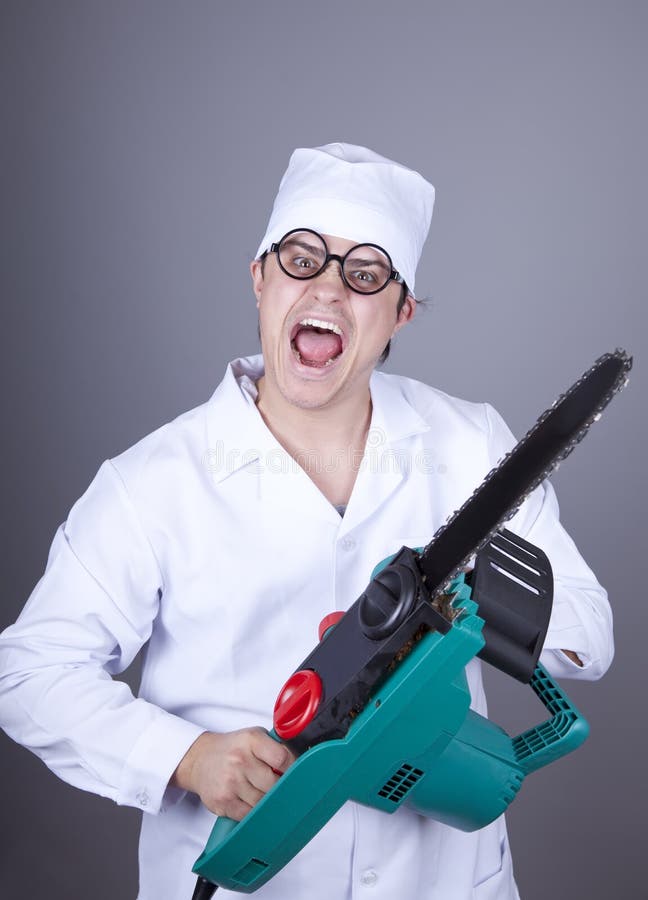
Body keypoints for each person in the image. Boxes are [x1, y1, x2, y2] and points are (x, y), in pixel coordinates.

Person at [0, 143, 612, 900]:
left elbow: (588, 637)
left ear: (401, 311)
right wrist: (184, 756)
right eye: (301, 259)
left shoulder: (472, 443)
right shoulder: (149, 484)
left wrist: (456, 610)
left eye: (365, 275)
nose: (327, 288)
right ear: (258, 279)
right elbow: (29, 673)